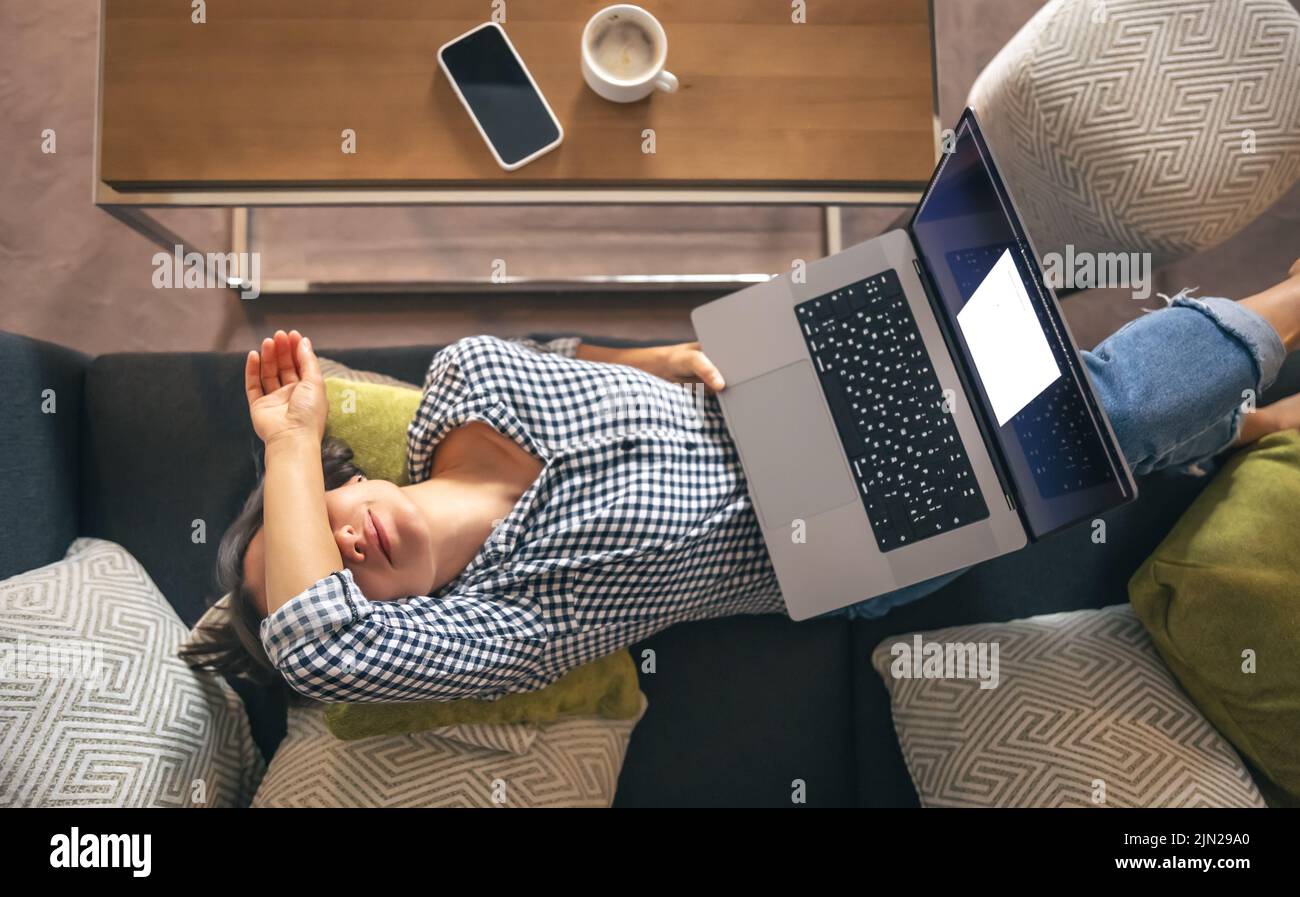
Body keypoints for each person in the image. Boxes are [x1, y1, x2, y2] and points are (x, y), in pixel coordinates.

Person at [184, 262, 1300, 701]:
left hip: (793, 386)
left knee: (996, 297)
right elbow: (320, 648)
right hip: (848, 535)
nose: (344, 553)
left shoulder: (460, 384)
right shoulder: (495, 627)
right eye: (322, 577)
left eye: (314, 529)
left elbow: (568, 363)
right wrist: (287, 444)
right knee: (1075, 410)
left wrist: (659, 358)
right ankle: (1278, 310)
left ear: (337, 488)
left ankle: (1232, 417)